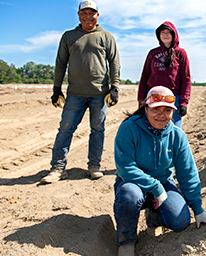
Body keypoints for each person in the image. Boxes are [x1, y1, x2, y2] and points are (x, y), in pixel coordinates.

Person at [113, 86, 206, 256]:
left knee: (180, 220)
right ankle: (127, 241)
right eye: (156, 109)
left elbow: (187, 173)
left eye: (167, 110)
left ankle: (153, 218)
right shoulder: (129, 129)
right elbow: (126, 167)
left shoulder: (177, 136)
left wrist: (198, 209)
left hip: (164, 183)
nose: (161, 114)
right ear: (146, 108)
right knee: (129, 196)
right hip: (132, 182)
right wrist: (155, 187)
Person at [41, 0, 120, 184]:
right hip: (75, 94)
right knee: (65, 129)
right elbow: (60, 63)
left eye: (91, 13)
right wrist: (56, 89)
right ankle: (57, 169)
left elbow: (114, 62)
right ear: (78, 15)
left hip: (99, 94)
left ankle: (94, 166)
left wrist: (114, 87)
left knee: (97, 130)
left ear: (97, 15)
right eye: (84, 12)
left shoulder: (106, 37)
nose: (87, 16)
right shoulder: (69, 36)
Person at [137, 21, 191, 129]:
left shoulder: (181, 53)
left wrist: (183, 103)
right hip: (153, 96)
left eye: (168, 32)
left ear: (174, 34)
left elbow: (186, 79)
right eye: (163, 32)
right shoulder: (153, 53)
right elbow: (144, 77)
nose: (165, 35)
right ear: (158, 35)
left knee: (174, 130)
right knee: (151, 128)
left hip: (173, 97)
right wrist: (142, 101)